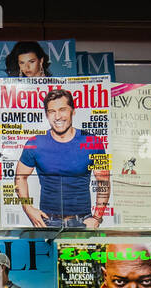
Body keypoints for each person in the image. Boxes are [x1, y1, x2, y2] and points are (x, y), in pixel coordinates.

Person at [15, 88, 109, 229]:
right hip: (47, 222)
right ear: (46, 115)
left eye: (63, 109)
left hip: (82, 222)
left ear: (73, 111)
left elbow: (104, 181)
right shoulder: (34, 143)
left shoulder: (93, 141)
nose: (57, 116)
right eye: (52, 111)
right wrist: (28, 208)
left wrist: (97, 217)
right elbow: (19, 177)